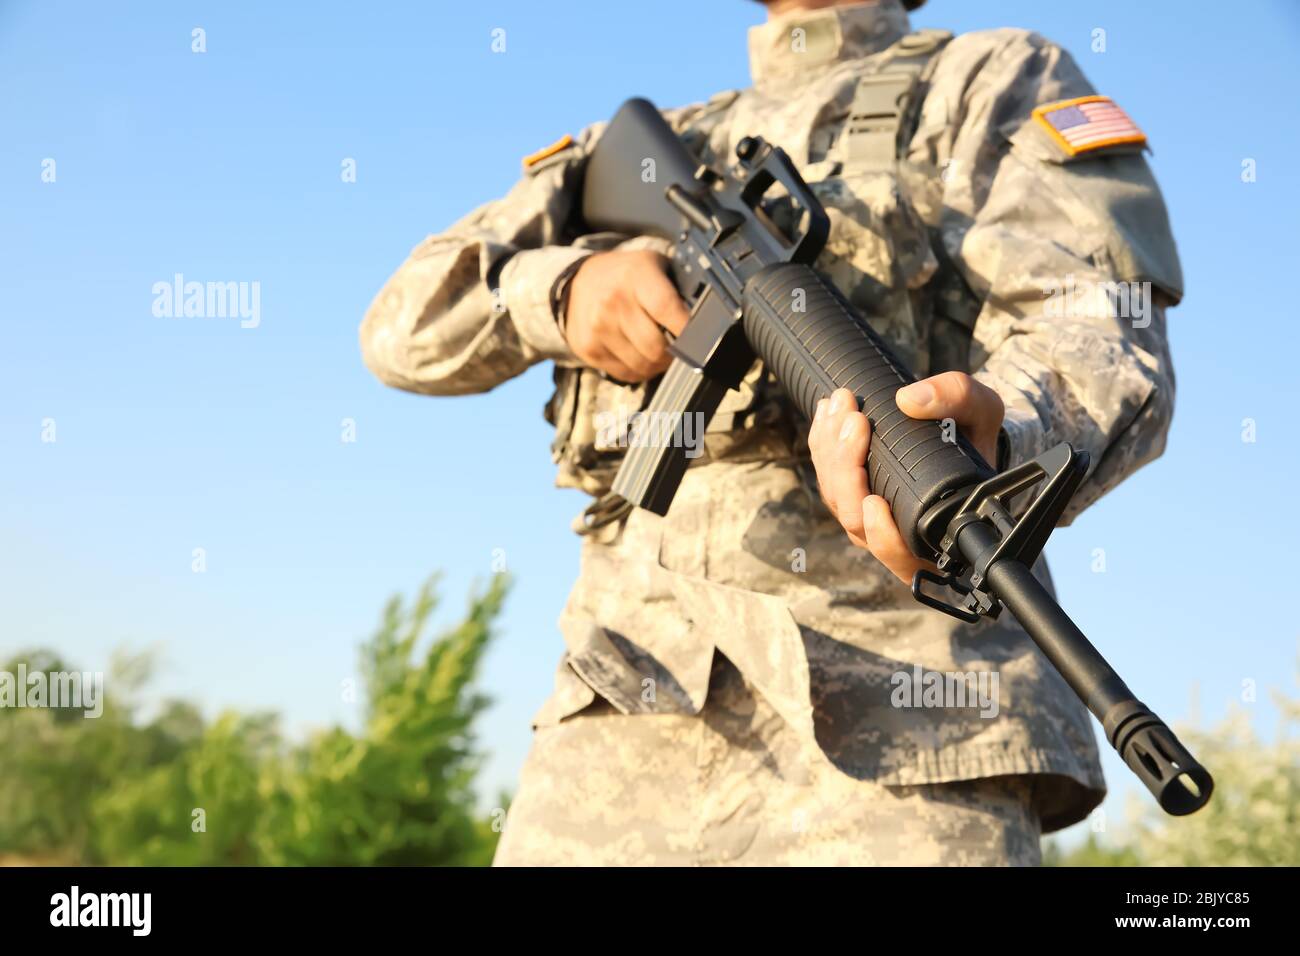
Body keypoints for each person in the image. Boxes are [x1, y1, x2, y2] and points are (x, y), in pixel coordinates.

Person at [360, 0, 1182, 865]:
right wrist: (561, 290)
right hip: (619, 724)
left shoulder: (990, 81)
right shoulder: (645, 141)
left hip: (915, 728)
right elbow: (399, 327)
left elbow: (1101, 328)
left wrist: (1000, 438)